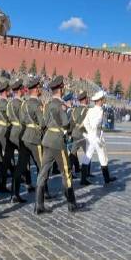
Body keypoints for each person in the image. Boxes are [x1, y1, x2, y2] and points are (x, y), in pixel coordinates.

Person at [35, 76, 84, 214]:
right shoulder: (60, 105)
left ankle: (38, 205)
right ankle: (71, 203)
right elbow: (66, 124)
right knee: (66, 171)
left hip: (47, 139)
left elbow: (43, 123)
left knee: (43, 171)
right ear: (61, 89)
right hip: (57, 141)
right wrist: (66, 111)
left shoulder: (48, 104)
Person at [80, 91, 117, 187]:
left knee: (87, 156)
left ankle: (83, 179)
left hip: (90, 137)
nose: (104, 101)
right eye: (102, 99)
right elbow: (96, 123)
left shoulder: (90, 110)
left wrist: (89, 132)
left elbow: (85, 123)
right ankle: (107, 179)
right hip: (97, 138)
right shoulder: (100, 110)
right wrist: (95, 132)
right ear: (99, 101)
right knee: (103, 157)